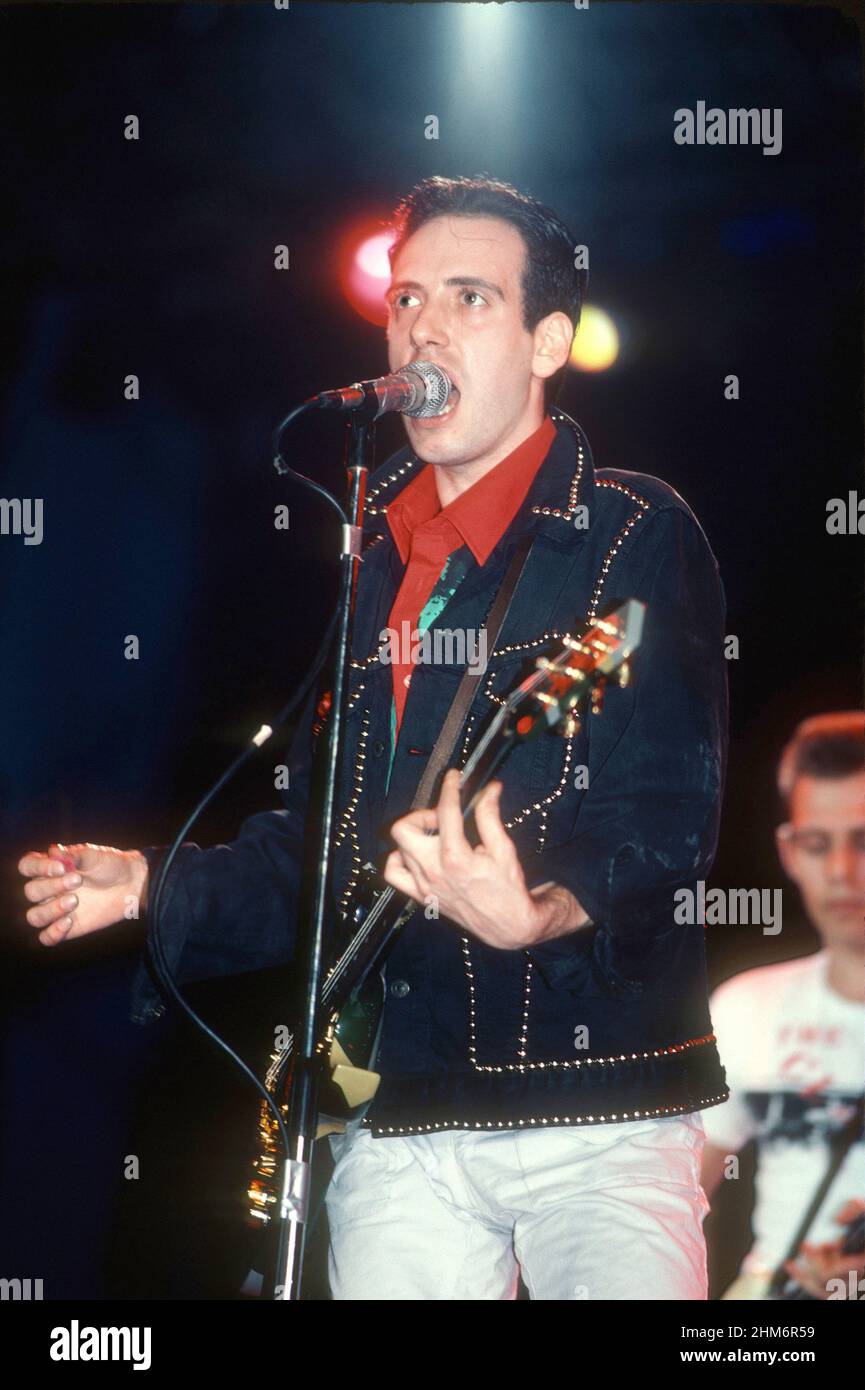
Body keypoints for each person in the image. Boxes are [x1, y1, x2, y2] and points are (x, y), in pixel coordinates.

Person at [19, 175, 729, 1300]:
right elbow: (328, 848)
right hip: (399, 1112)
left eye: (467, 297)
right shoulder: (375, 561)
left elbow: (665, 815)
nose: (422, 328)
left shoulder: (630, 527)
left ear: (550, 340)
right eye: (405, 299)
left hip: (602, 1114)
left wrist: (535, 909)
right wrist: (154, 885)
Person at [701, 712, 864, 1300]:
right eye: (818, 845)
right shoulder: (748, 1007)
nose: (843, 873)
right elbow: (670, 1201)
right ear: (789, 853)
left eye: (864, 841)